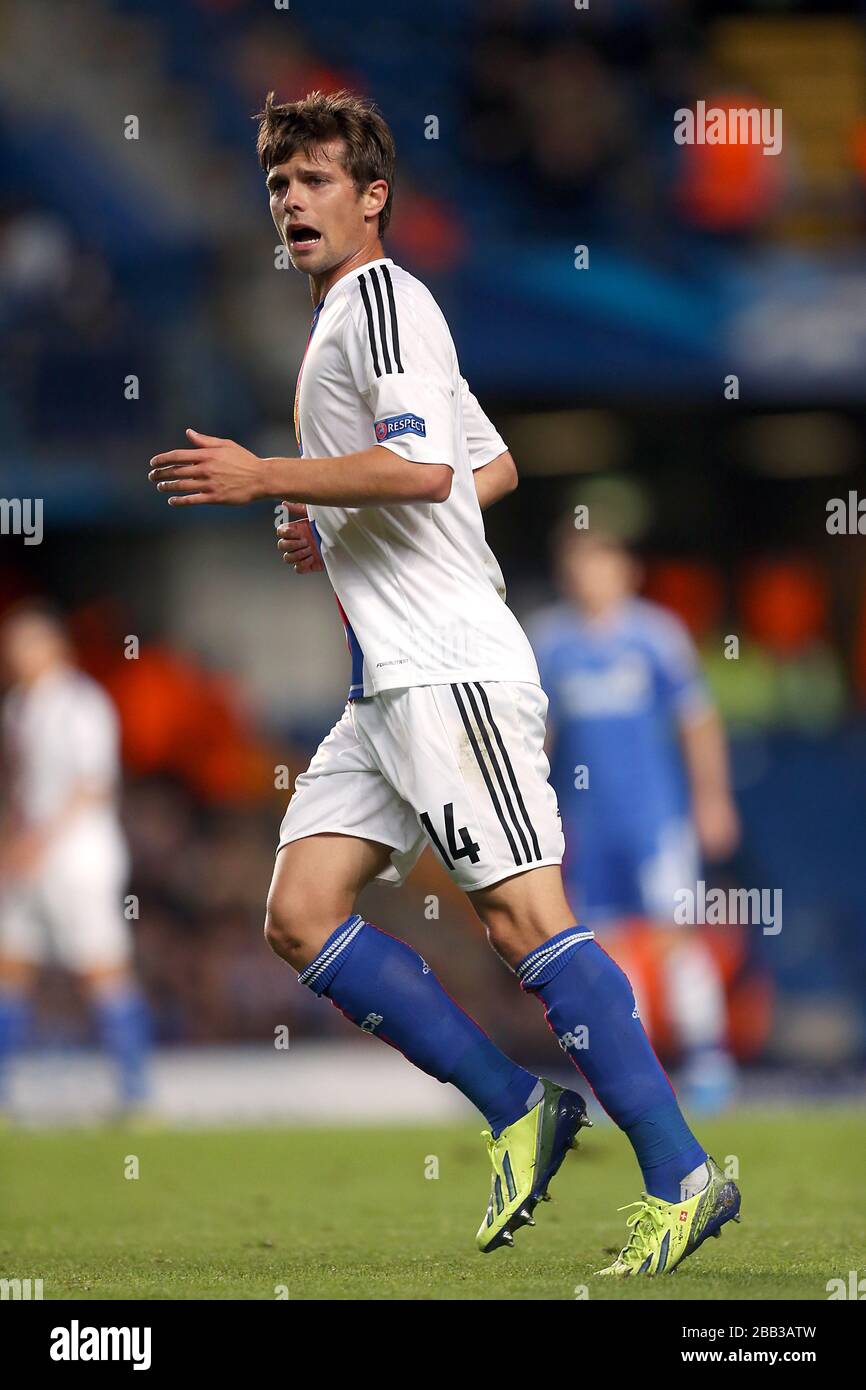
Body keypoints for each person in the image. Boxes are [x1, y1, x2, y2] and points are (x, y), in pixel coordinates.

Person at [147, 90, 740, 1273]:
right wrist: (333, 517)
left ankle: (681, 1173)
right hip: (386, 688)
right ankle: (518, 1105)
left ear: (372, 197)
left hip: (450, 667)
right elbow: (487, 466)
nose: (292, 202)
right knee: (299, 912)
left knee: (525, 920)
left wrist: (274, 476)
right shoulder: (364, 318)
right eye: (278, 185)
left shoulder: (380, 302)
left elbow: (424, 470)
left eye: (316, 181)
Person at [530, 527, 741, 1111]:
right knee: (609, 945)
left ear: (626, 571)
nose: (590, 577)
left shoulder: (657, 636)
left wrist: (713, 798)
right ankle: (638, 1072)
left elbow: (696, 721)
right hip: (588, 824)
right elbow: (539, 733)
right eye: (579, 566)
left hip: (655, 819)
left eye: (601, 564)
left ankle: (708, 1061)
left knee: (675, 933)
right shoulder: (551, 642)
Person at [0, 604, 150, 1118]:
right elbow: (20, 788)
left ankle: (135, 1095)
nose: (16, 655)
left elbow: (92, 786)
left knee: (101, 966)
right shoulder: (18, 707)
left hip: (79, 855)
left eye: (26, 644)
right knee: (11, 962)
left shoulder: (83, 704)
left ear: (54, 647)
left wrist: (35, 842)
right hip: (29, 857)